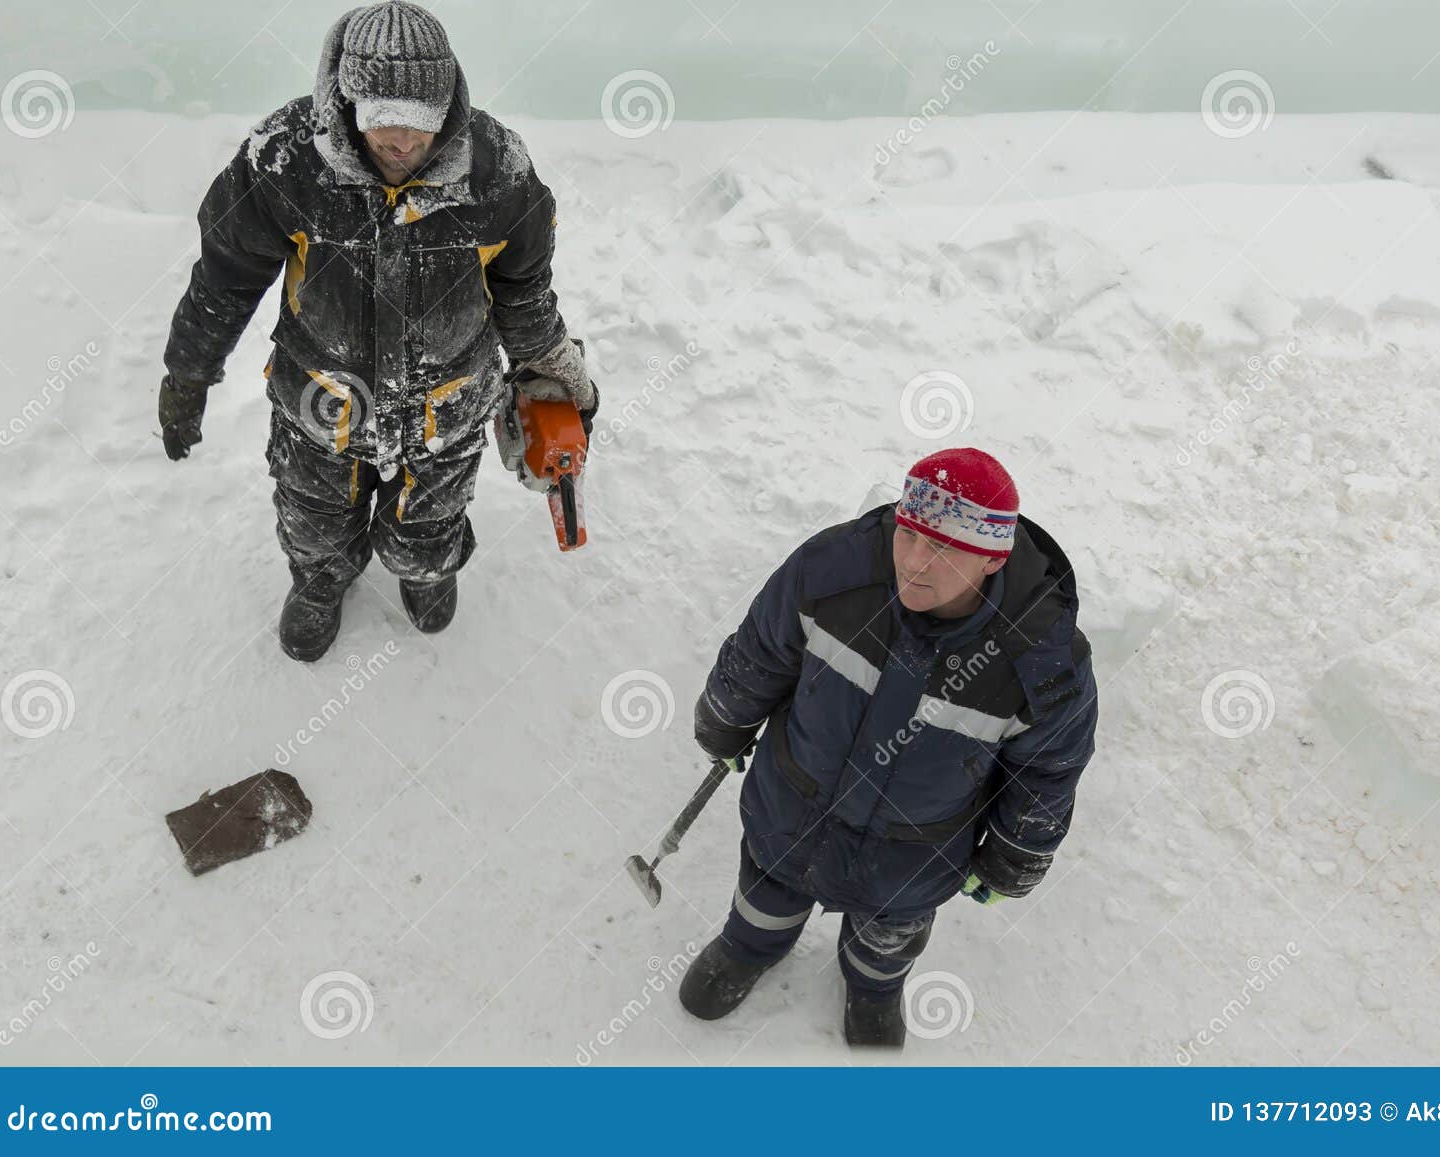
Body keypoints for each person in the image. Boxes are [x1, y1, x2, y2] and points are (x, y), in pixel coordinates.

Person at [157, 1, 597, 661]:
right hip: (321, 401)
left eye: (421, 126)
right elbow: (226, 276)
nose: (402, 143)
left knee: (429, 523)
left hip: (446, 403)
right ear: (343, 101)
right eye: (382, 123)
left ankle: (425, 565)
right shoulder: (285, 159)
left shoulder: (497, 171)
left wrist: (549, 367)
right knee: (315, 519)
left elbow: (523, 288)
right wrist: (188, 372)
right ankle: (321, 581)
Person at [680, 447, 1099, 1047]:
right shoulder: (833, 572)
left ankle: (874, 986)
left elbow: (1048, 771)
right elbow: (761, 650)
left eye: (945, 548)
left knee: (892, 926)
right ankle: (749, 946)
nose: (915, 564)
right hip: (794, 797)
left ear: (992, 557)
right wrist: (725, 720)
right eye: (908, 535)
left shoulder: (1043, 660)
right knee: (769, 878)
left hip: (918, 842)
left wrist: (1013, 856)